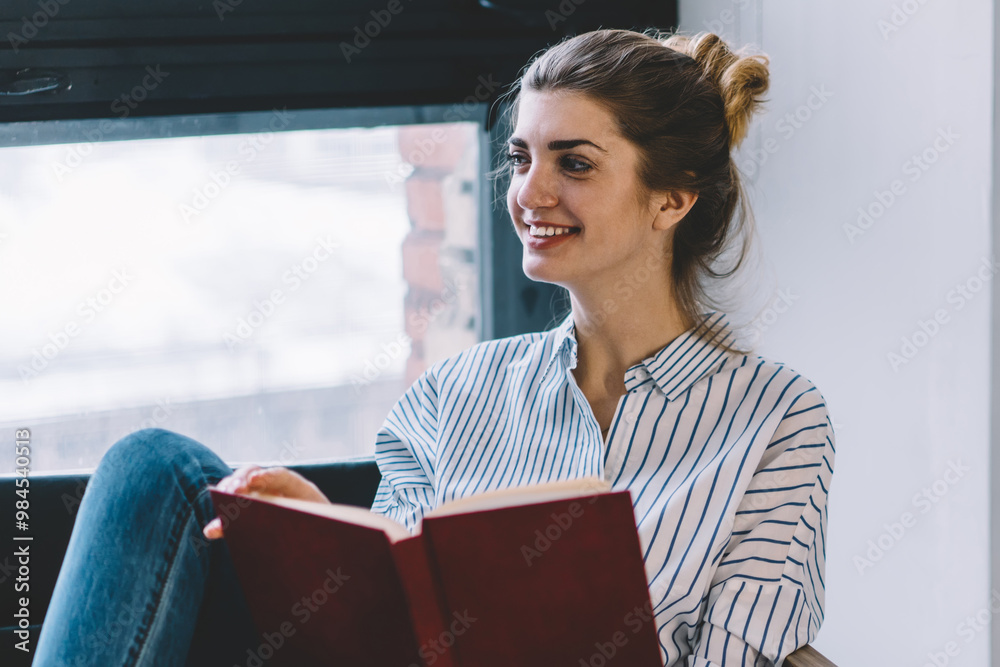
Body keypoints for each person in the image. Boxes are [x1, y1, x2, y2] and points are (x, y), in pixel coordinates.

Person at [33, 27, 835, 667]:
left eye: (575, 163)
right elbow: (391, 619)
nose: (530, 192)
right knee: (154, 466)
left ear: (672, 198)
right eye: (521, 158)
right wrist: (320, 533)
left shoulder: (777, 419)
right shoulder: (454, 392)